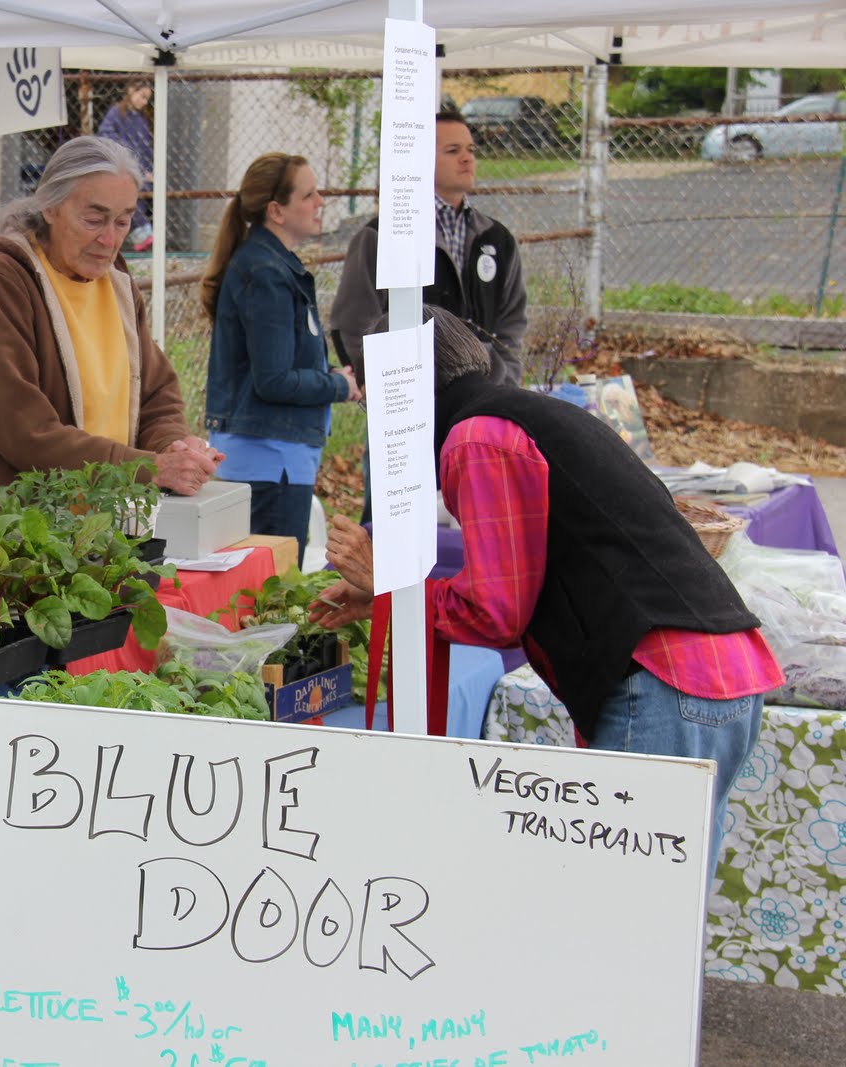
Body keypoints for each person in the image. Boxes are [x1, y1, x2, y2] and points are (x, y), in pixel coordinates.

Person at [307, 306, 782, 875]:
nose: (369, 418)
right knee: (663, 923)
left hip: (666, 678)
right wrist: (386, 601)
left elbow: (494, 612)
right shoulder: (530, 415)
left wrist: (390, 583)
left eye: (369, 399)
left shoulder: (477, 439)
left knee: (629, 913)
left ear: (401, 392)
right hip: (722, 672)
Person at [0, 135, 220, 508]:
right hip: (7, 530)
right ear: (50, 207)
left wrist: (174, 446)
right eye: (93, 219)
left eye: (123, 221)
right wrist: (149, 468)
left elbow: (156, 395)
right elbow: (25, 430)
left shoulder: (115, 282)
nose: (109, 238)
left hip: (101, 521)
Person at [199, 152, 362, 563]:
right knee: (267, 596)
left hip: (277, 458)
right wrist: (340, 385)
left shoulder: (275, 265)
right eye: (308, 194)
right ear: (276, 210)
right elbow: (273, 379)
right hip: (268, 461)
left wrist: (328, 375)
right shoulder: (267, 272)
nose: (320, 202)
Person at [329, 108, 528, 388]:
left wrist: (505, 379)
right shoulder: (383, 234)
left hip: (483, 396)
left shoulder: (496, 238)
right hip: (411, 400)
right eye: (452, 150)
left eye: (471, 149)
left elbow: (513, 319)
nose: (467, 157)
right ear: (420, 160)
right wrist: (382, 386)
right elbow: (353, 321)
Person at [96, 81, 155, 252]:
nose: (144, 102)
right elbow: (105, 134)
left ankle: (141, 238)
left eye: (147, 99)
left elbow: (146, 147)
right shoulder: (117, 113)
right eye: (142, 96)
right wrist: (127, 149)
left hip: (141, 170)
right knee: (128, 203)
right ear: (131, 91)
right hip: (123, 166)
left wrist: (149, 170)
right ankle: (143, 235)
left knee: (138, 202)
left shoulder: (142, 119)